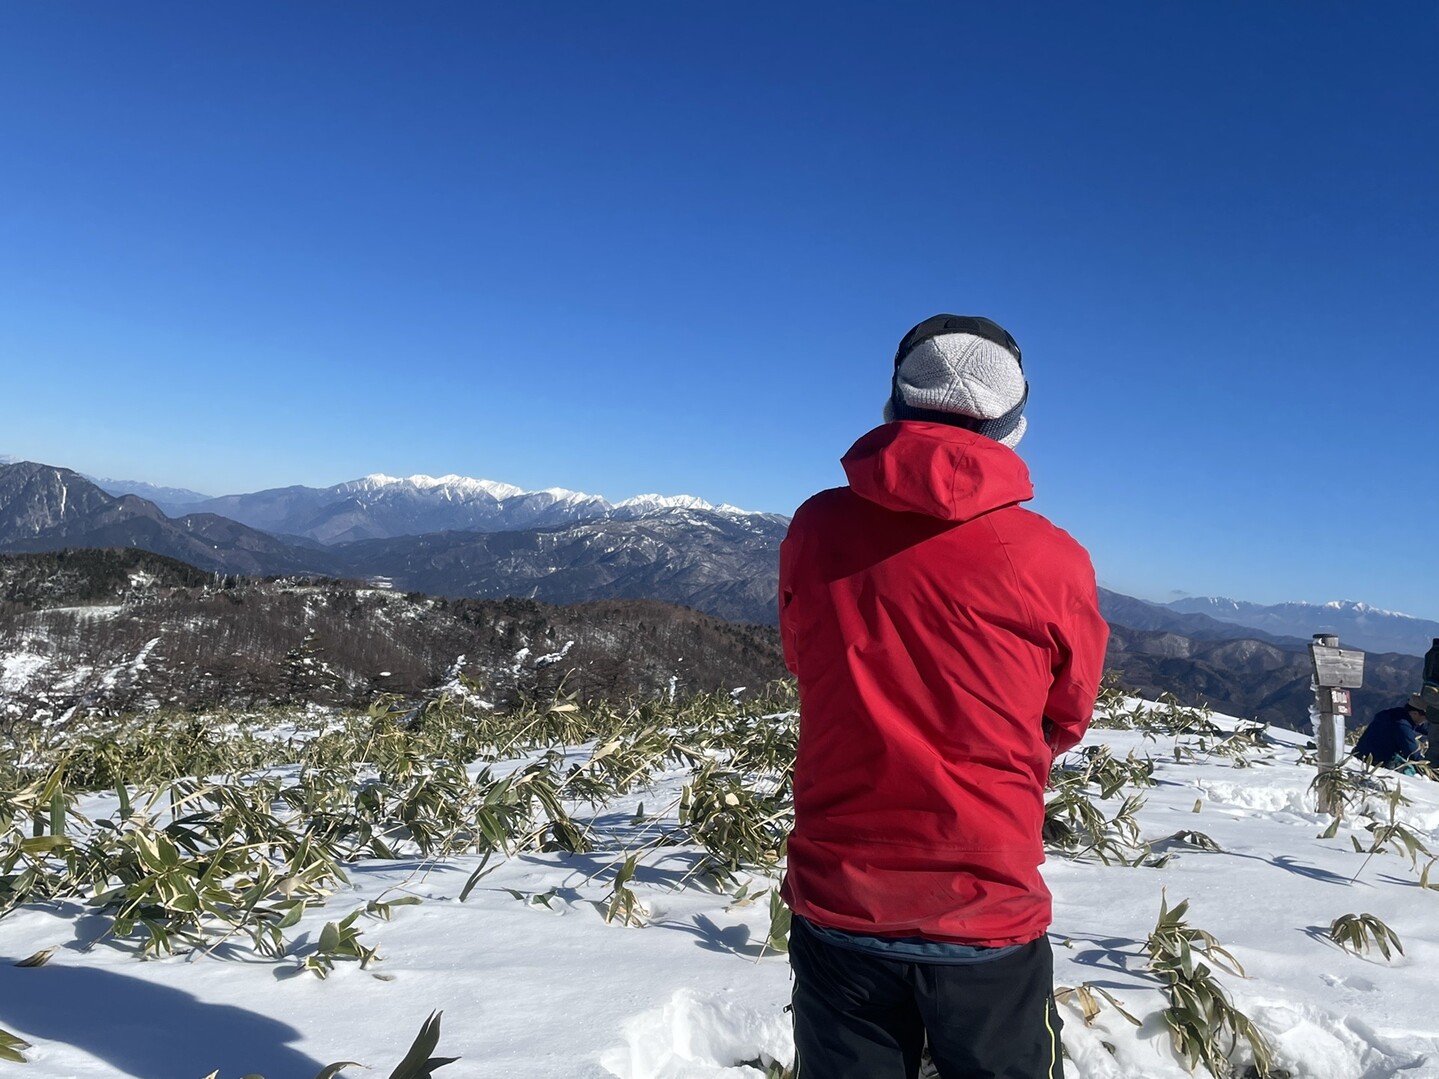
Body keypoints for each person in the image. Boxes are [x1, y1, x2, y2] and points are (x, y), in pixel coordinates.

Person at [778, 314, 1109, 1079]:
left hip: (839, 893)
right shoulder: (1054, 561)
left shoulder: (816, 526)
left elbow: (805, 659)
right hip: (984, 902)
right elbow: (1066, 714)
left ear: (892, 406)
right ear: (1013, 424)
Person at [1352, 694, 1430, 771]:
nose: (1425, 720)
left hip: (1360, 753)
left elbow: (1421, 727)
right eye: (1425, 717)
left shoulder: (1395, 714)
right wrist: (1429, 767)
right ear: (1415, 713)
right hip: (1375, 763)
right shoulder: (1401, 726)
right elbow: (1412, 754)